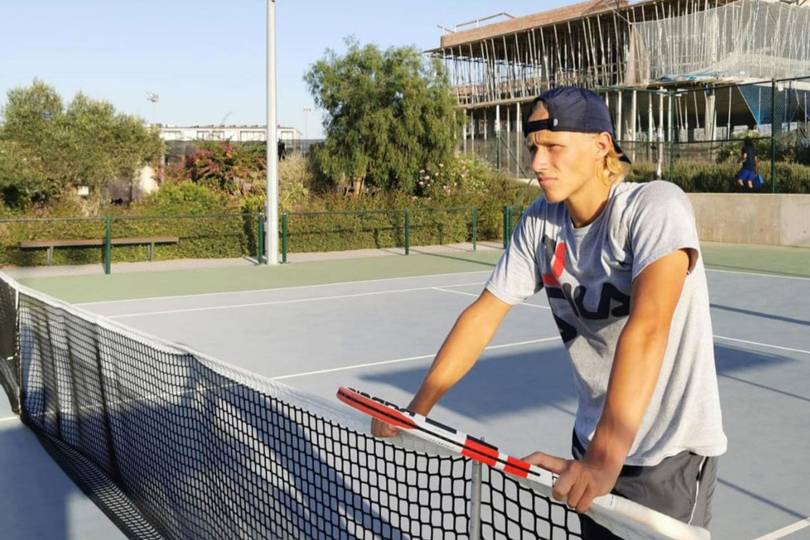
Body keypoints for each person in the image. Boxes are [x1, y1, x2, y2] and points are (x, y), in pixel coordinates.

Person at [372, 87, 726, 537]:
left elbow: (649, 327)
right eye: (533, 149)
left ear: (601, 146)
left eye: (553, 147)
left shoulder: (655, 206)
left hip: (666, 453)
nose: (537, 164)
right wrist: (415, 411)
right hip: (591, 444)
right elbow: (484, 314)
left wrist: (604, 458)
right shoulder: (541, 222)